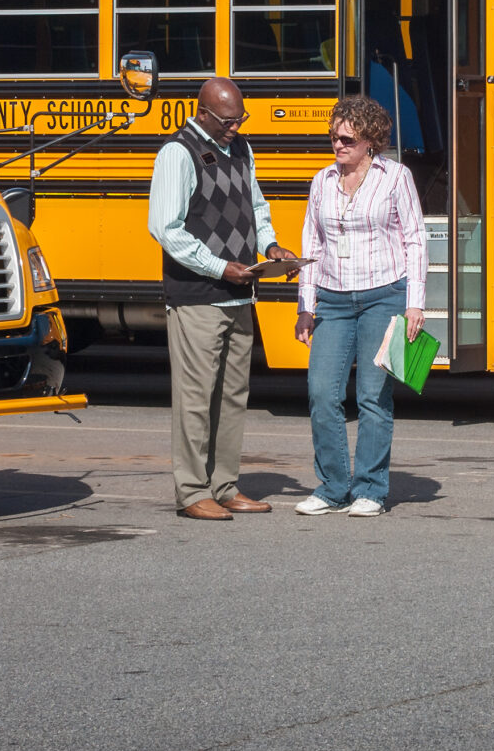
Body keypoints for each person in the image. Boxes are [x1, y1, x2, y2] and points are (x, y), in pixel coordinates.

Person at [147, 76, 299, 520]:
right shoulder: (178, 153)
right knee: (195, 397)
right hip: (197, 296)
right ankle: (193, 492)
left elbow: (256, 208)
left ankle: (225, 485)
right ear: (204, 113)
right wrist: (220, 267)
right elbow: (166, 229)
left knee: (233, 395)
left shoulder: (242, 149)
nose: (235, 126)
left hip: (239, 295)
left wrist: (270, 248)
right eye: (228, 120)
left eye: (240, 118)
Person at [292, 95, 426, 518]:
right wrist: (306, 306)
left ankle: (370, 489)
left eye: (346, 137)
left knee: (372, 395)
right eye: (333, 136)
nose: (337, 145)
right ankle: (332, 486)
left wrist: (415, 304)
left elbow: (415, 240)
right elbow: (310, 244)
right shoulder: (322, 181)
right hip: (332, 297)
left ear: (370, 140)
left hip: (384, 295)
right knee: (321, 393)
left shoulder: (396, 177)